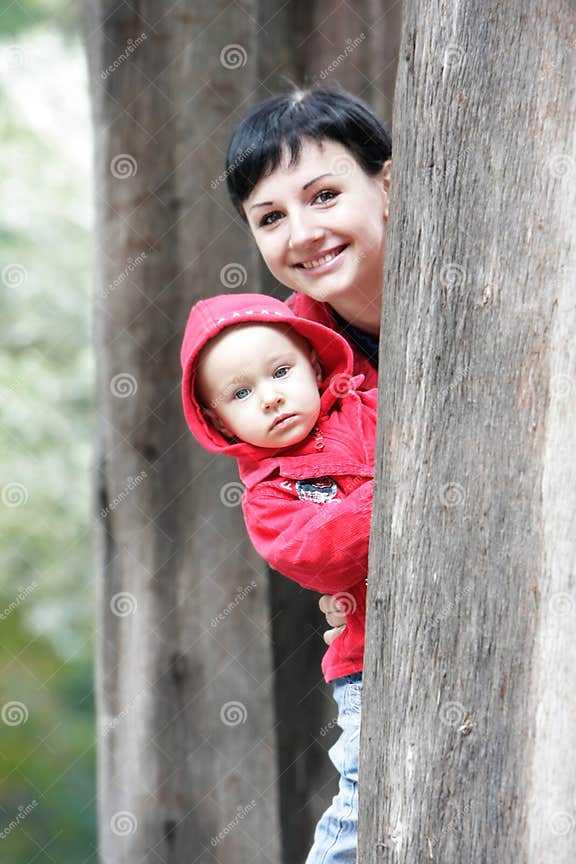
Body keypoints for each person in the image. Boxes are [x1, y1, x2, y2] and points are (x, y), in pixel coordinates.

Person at [180, 292, 376, 863]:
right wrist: (394, 494)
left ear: (315, 367)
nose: (270, 397)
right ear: (218, 421)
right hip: (367, 662)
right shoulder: (269, 494)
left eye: (281, 371)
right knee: (368, 795)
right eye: (240, 393)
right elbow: (317, 550)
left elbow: (320, 301)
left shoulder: (362, 404)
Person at [225, 86, 391, 647]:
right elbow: (300, 525)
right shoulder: (281, 364)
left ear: (387, 186)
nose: (302, 234)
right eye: (270, 217)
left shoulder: (496, 279)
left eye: (324, 196)